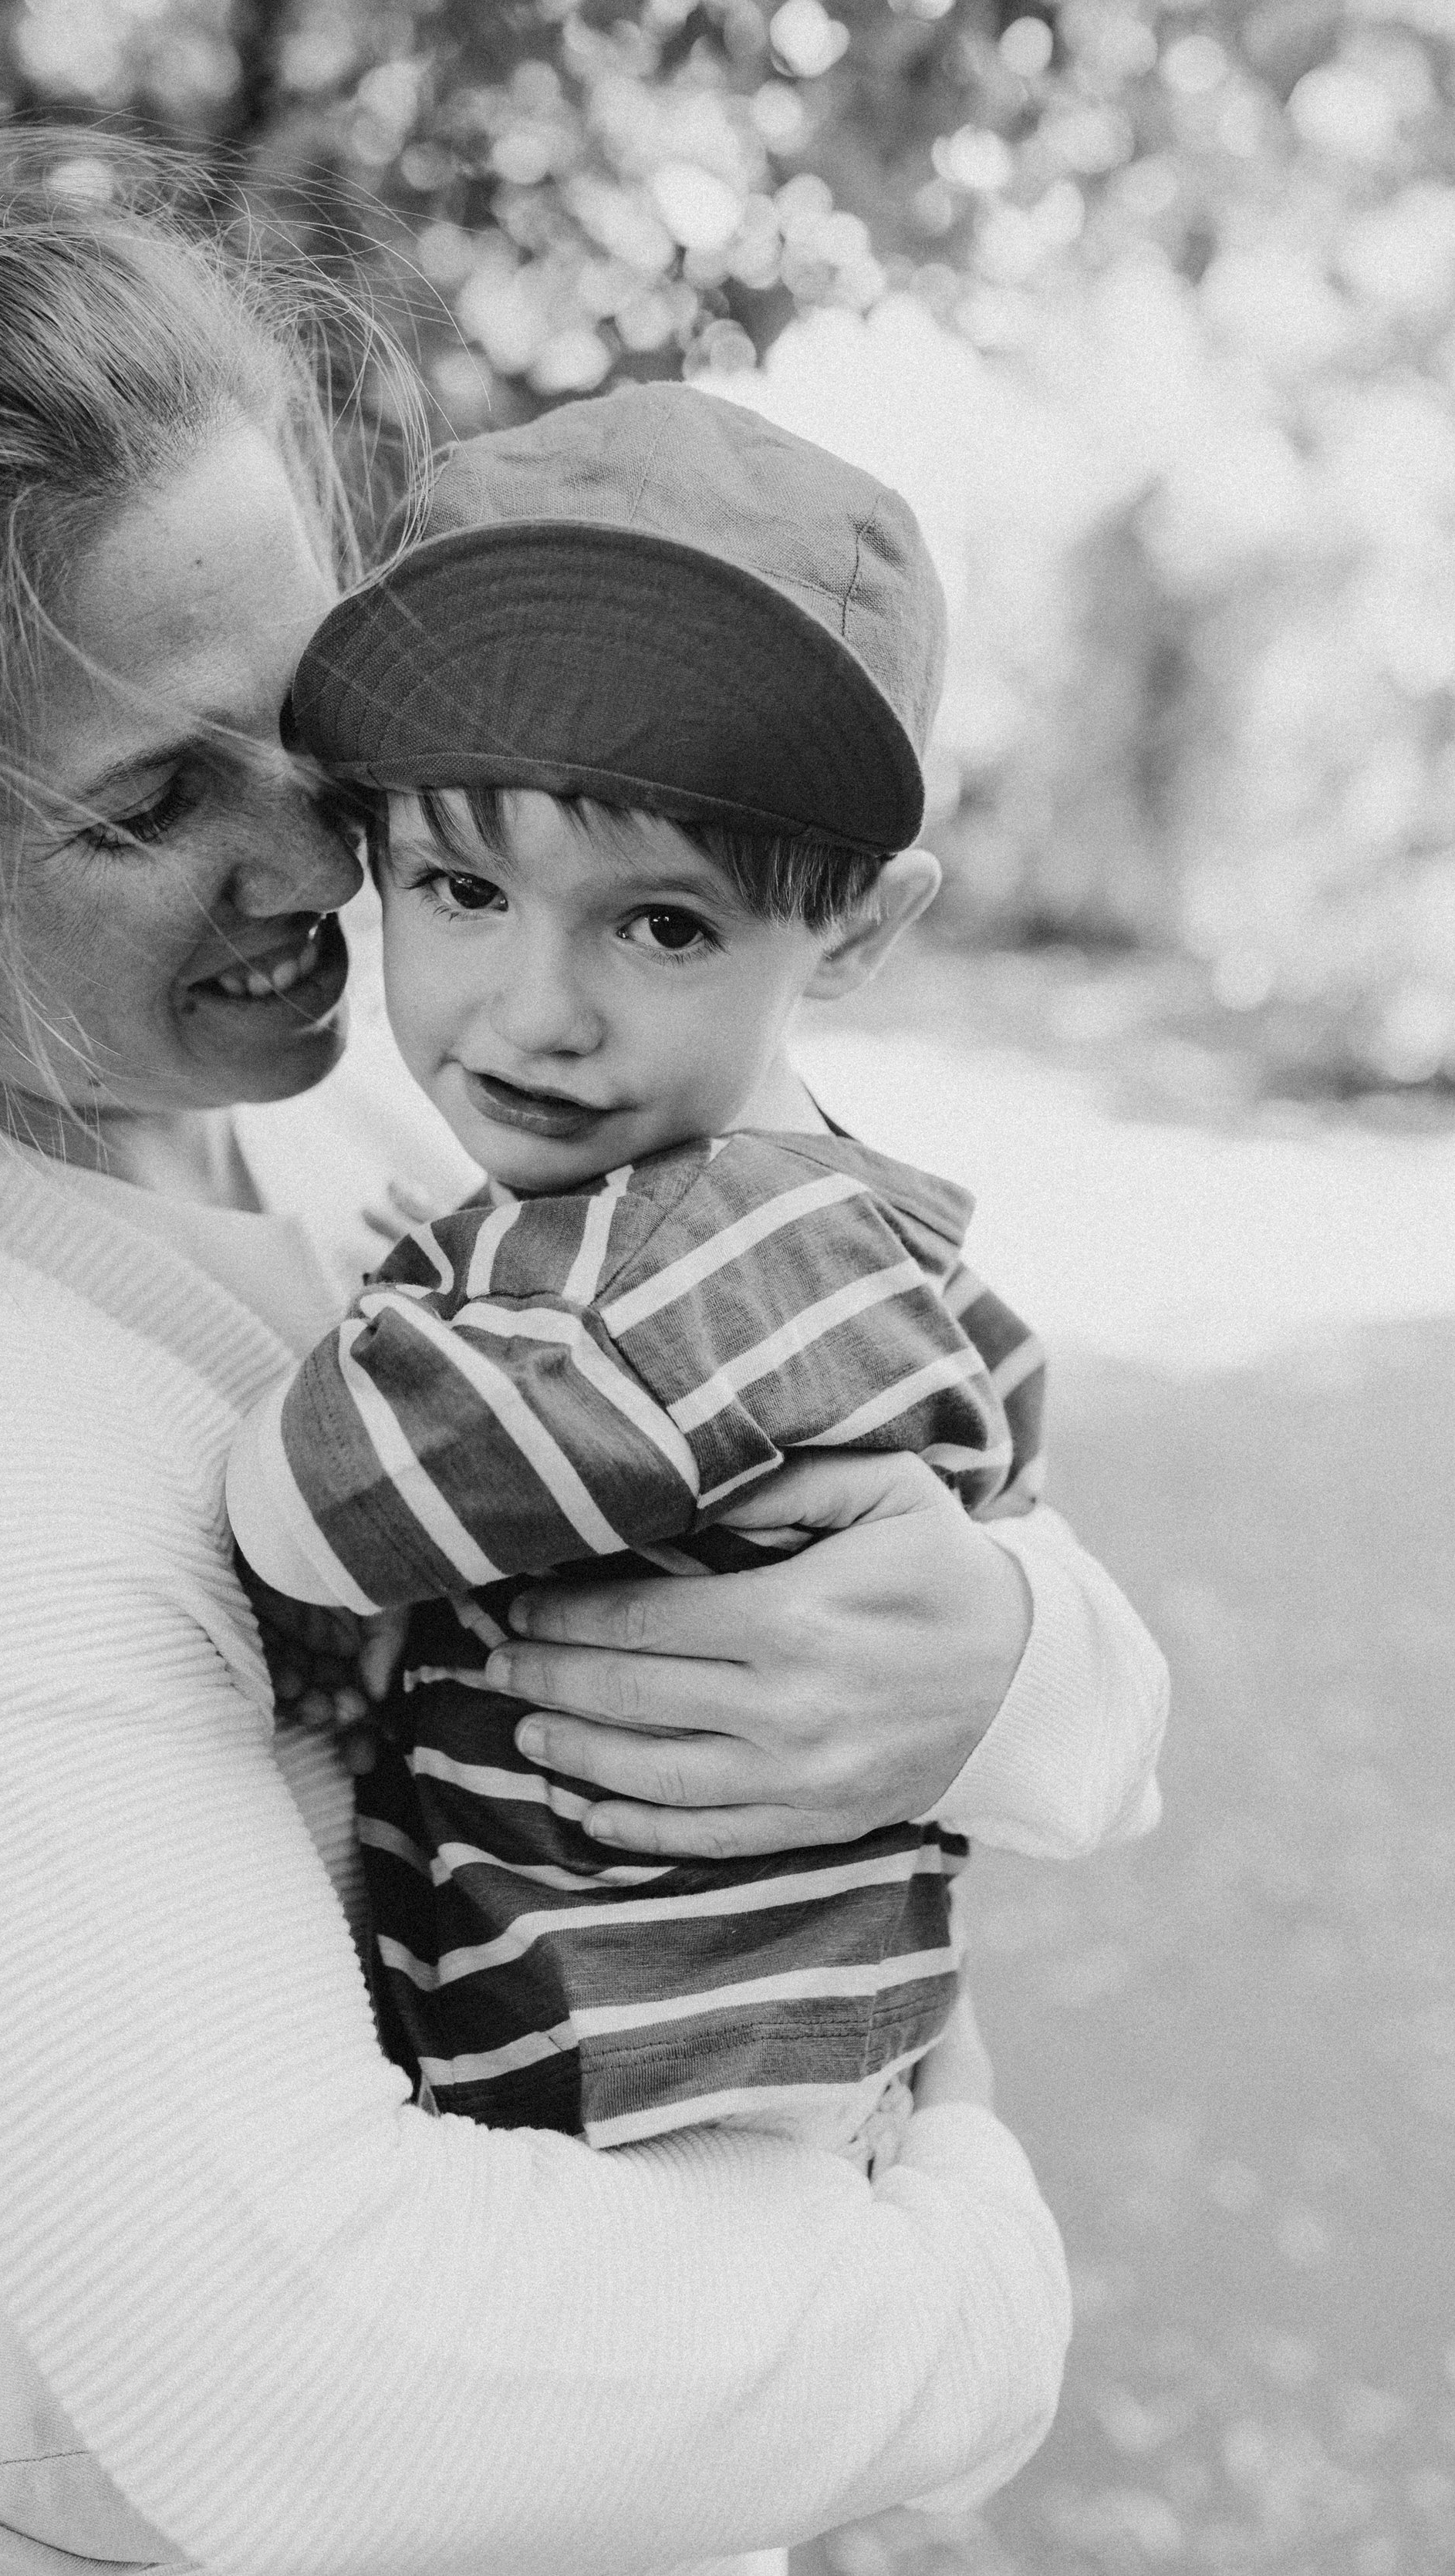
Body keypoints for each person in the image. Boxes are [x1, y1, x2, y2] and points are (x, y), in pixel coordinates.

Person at [0, 133, 1165, 2574]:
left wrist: (999, 1656)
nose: (320, 860)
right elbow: (341, 2396)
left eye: (304, 714)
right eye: (148, 804)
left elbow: (936, 1478)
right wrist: (977, 2289)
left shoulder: (386, 1089)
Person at [228, 383, 1070, 2162]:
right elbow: (1008, 1432)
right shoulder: (872, 1236)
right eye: (457, 888)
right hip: (776, 2067)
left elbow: (305, 1513)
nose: (536, 1010)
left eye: (662, 923)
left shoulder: (641, 1269)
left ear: (853, 928)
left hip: (648, 2107)